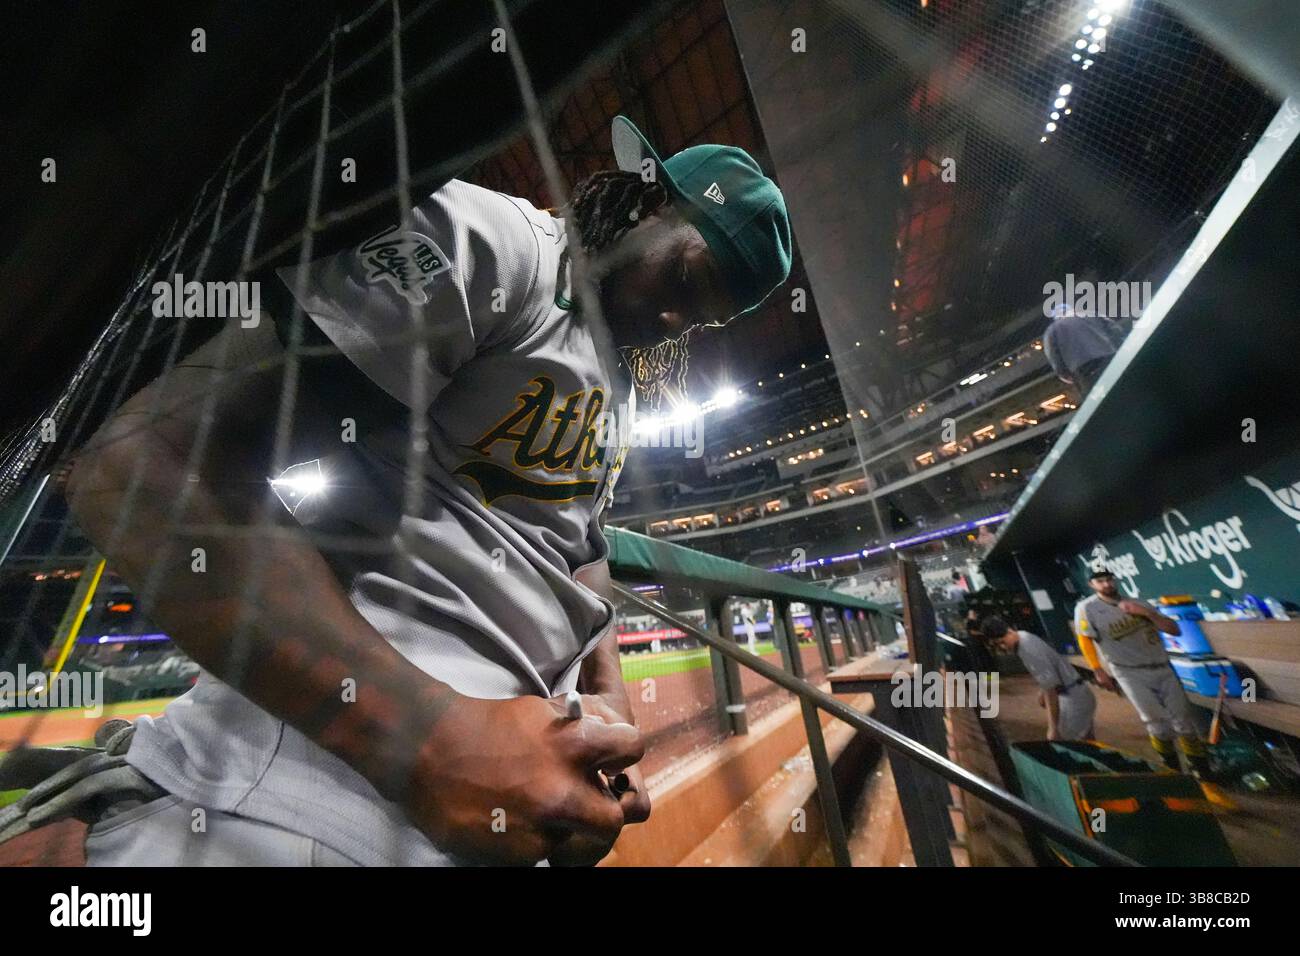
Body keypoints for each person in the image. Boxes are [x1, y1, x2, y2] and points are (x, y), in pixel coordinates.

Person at [59, 115, 792, 866]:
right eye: (682, 282)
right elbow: (141, 456)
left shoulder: (618, 390)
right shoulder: (496, 246)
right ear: (646, 204)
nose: (675, 320)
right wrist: (432, 745)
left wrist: (609, 712)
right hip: (298, 808)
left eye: (702, 318)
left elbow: (577, 550)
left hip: (479, 807)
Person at [1074, 570, 1210, 776]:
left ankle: (1202, 770)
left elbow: (1175, 630)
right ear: (1092, 585)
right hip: (1129, 672)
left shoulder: (1140, 603)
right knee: (1157, 723)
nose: (1106, 584)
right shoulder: (1087, 608)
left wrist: (1147, 613)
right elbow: (1085, 638)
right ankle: (1171, 770)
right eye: (1100, 581)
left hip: (1163, 667)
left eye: (1109, 579)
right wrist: (1096, 668)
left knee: (1184, 722)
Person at [980, 616, 1096, 741]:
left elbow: (1051, 692)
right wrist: (1043, 692)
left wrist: (1053, 728)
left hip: (1074, 699)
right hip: (1078, 692)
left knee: (1069, 744)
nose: (1003, 648)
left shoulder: (1028, 650)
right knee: (1088, 741)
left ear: (1009, 631)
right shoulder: (1024, 636)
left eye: (1002, 642)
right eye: (998, 646)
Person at [1041, 303, 1126, 397]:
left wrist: (1063, 374)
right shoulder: (1091, 314)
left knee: (1097, 398)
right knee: (1122, 385)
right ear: (1072, 310)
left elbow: (1053, 355)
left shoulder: (1051, 331)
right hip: (1108, 356)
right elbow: (1115, 330)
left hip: (1082, 369)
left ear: (1056, 317)